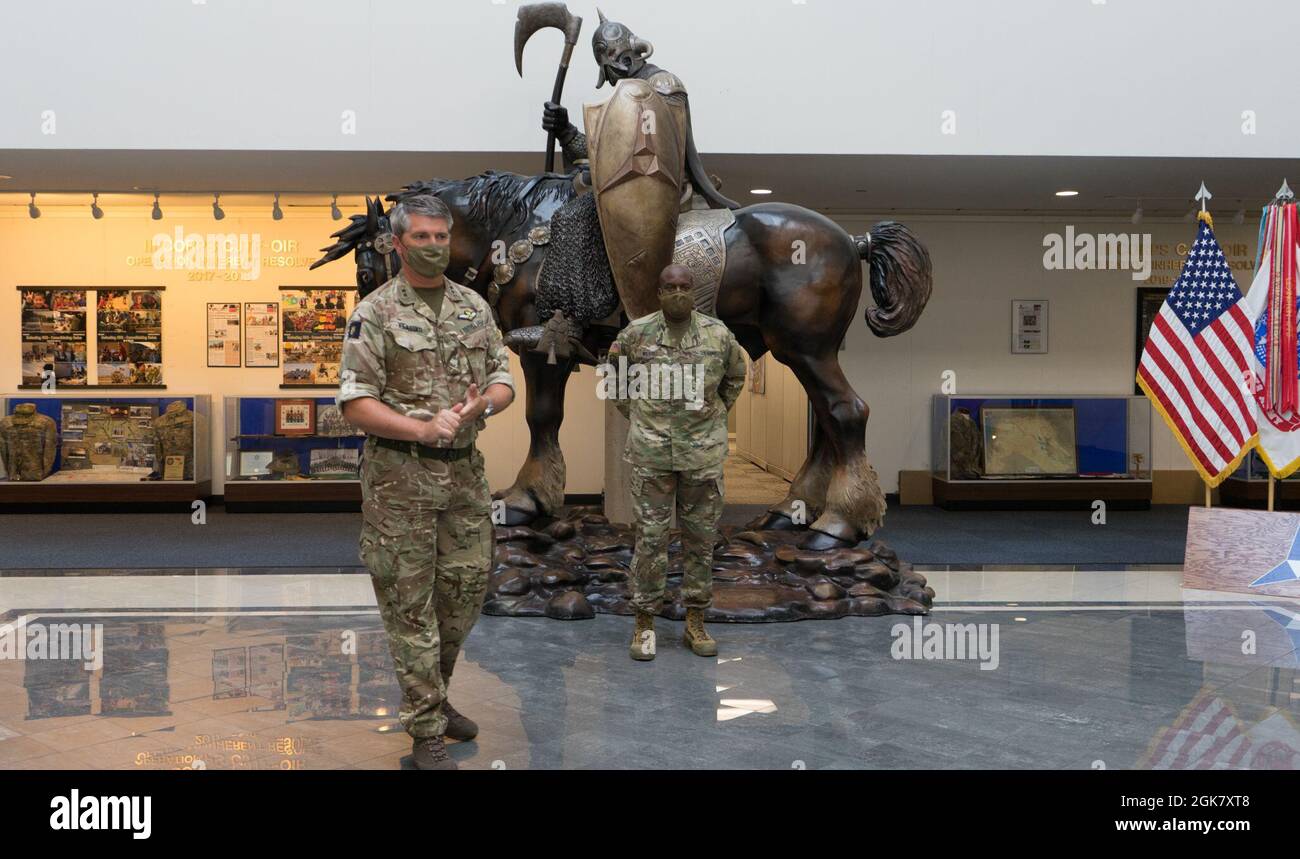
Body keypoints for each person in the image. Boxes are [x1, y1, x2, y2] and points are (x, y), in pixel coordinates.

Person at [337, 194, 515, 770]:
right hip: (398, 481)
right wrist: (419, 427)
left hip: (465, 477)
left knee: (461, 596)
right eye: (422, 237)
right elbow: (355, 404)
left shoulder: (474, 307)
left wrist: (479, 407)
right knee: (408, 606)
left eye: (442, 236)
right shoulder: (375, 313)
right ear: (398, 243)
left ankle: (434, 696)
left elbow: (503, 381)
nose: (436, 246)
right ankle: (426, 729)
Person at [607, 264, 747, 661]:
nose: (678, 292)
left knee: (700, 541)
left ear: (694, 290)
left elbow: (735, 378)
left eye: (685, 286)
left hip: (702, 455)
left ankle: (696, 622)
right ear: (659, 291)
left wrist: (712, 416)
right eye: (670, 286)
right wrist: (640, 417)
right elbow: (616, 381)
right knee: (650, 542)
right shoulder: (636, 334)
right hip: (652, 455)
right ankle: (644, 624)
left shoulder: (718, 335)